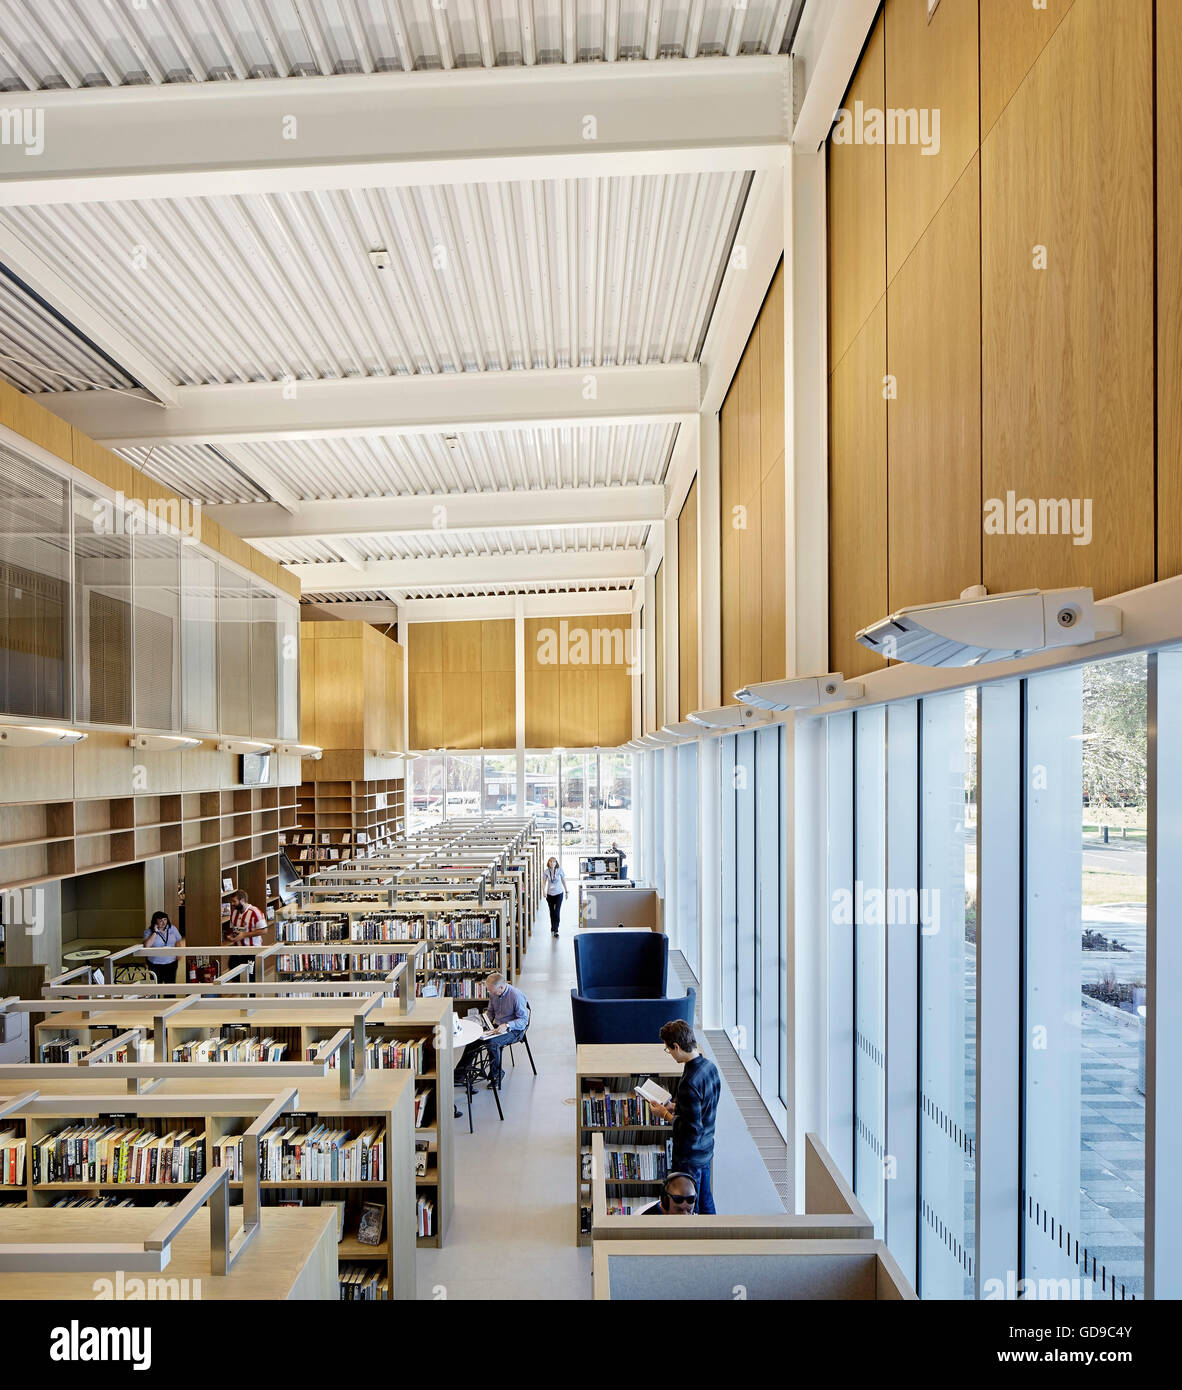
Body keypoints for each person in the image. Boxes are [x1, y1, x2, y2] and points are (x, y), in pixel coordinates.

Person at [647, 1019, 721, 1214]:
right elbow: (704, 1106)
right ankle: (715, 1237)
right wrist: (676, 1106)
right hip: (706, 1149)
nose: (670, 1054)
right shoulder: (709, 1067)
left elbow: (691, 1130)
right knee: (705, 1199)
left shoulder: (689, 1082)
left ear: (677, 1046)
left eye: (668, 1050)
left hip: (690, 1156)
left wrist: (664, 1113)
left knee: (688, 1209)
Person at [480, 970, 528, 1088]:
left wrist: (507, 1025)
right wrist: (483, 1022)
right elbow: (490, 1012)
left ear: (501, 987)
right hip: (497, 1027)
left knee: (492, 1043)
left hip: (515, 1030)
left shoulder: (516, 995)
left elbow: (523, 1021)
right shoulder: (493, 994)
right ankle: (461, 1073)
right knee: (474, 1038)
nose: (489, 992)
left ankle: (497, 1074)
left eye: (491, 990)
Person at [224, 889, 266, 980]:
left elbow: (264, 930)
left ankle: (251, 994)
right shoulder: (234, 913)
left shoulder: (255, 912)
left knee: (251, 978)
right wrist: (230, 936)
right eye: (231, 901)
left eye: (234, 901)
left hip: (252, 952)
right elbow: (234, 930)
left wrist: (244, 935)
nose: (232, 904)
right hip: (237, 951)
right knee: (233, 975)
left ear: (242, 900)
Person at [143, 910, 184, 985]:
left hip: (171, 962)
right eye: (161, 920)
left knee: (170, 986)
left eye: (165, 919)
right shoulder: (148, 932)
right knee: (155, 987)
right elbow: (147, 945)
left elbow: (178, 941)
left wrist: (179, 953)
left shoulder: (172, 929)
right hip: (155, 964)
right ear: (155, 921)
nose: (164, 922)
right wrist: (155, 932)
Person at [543, 856, 567, 936]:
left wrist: (566, 891)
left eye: (554, 861)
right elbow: (544, 882)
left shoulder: (560, 870)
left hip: (559, 893)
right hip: (550, 894)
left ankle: (556, 929)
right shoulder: (546, 871)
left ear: (556, 863)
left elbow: (563, 880)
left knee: (557, 911)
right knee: (551, 911)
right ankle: (552, 926)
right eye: (550, 861)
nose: (552, 863)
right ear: (548, 863)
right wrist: (543, 891)